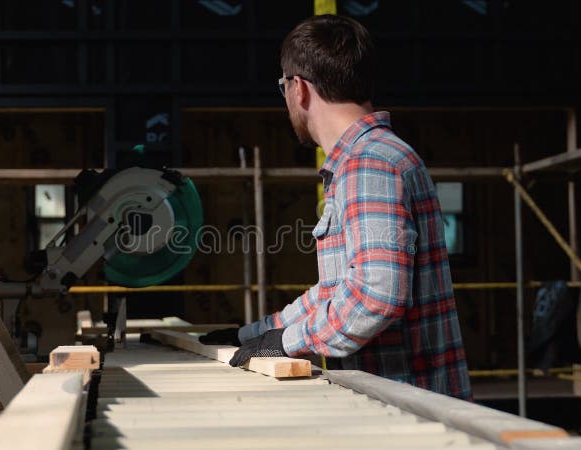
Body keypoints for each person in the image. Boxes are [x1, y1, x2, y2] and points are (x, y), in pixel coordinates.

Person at [201, 14, 471, 400]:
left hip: (406, 411)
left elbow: (375, 297)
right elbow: (339, 290)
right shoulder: (368, 159)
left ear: (300, 89)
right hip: (402, 404)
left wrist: (288, 342)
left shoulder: (369, 163)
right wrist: (257, 333)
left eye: (284, 86)